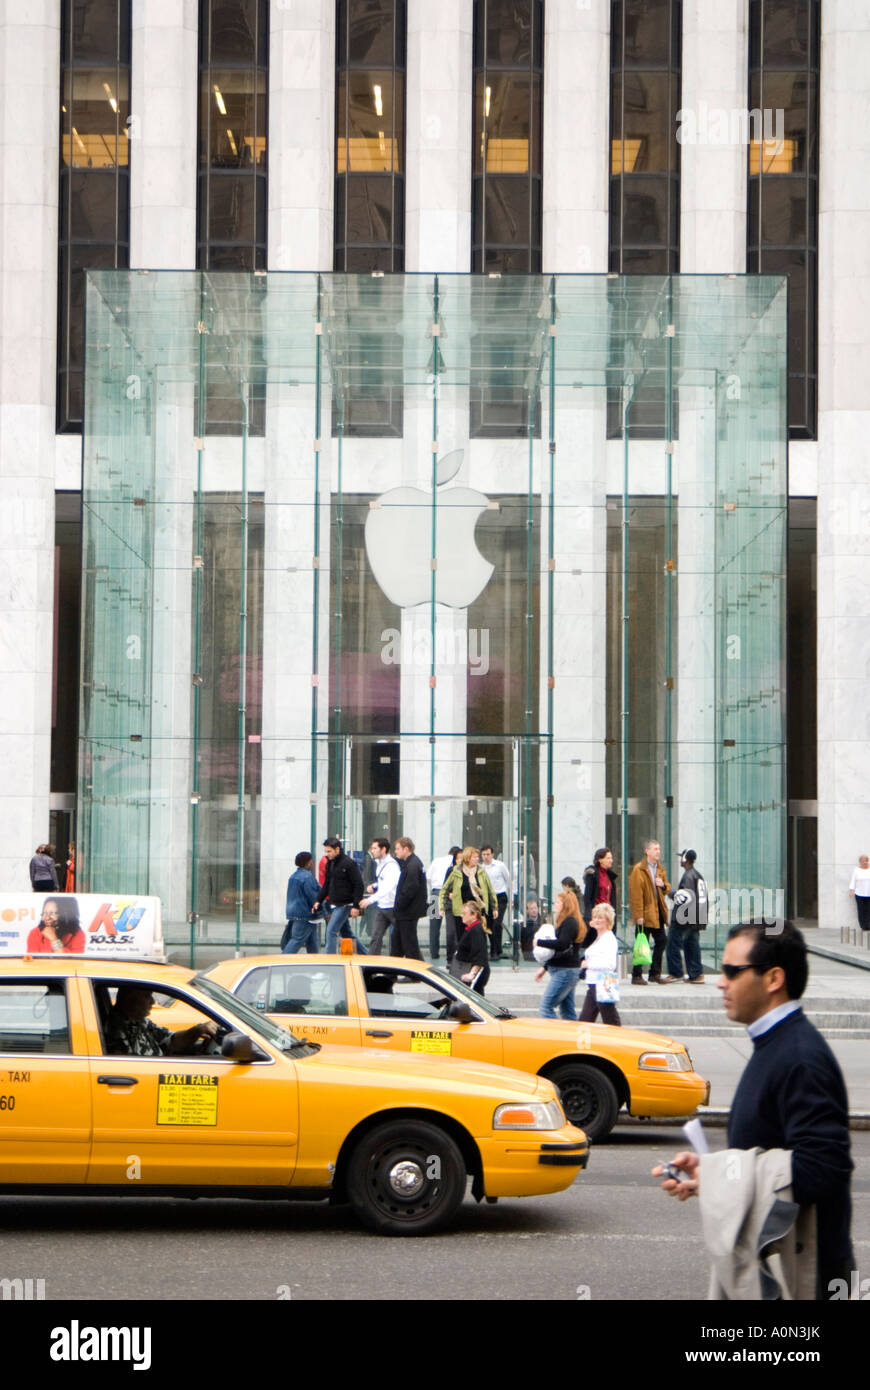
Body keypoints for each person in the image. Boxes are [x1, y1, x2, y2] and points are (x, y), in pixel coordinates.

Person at [654, 921, 854, 1301]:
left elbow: (822, 1170)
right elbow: (771, 1154)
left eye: (731, 971)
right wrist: (709, 1176)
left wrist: (721, 1174)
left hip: (804, 1281)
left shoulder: (800, 1059)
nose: (720, 981)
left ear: (773, 978)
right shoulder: (777, 1044)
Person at [106, 986, 219, 1057]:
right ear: (129, 998)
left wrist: (197, 1030)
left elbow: (172, 1041)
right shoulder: (114, 1030)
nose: (152, 1001)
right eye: (147, 996)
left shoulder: (140, 1022)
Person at [535, 888, 585, 1020]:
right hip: (566, 969)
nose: (555, 904)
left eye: (558, 902)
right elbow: (560, 948)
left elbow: (562, 944)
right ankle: (571, 1038)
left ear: (565, 905)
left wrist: (539, 942)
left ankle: (555, 1037)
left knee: (546, 1006)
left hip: (565, 970)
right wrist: (545, 967)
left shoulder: (570, 922)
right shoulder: (568, 921)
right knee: (567, 1010)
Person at [439, 847, 497, 956]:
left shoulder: (481, 871)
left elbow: (490, 890)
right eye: (474, 857)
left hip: (478, 910)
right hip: (462, 911)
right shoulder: (456, 871)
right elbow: (444, 889)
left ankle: (479, 960)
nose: (477, 859)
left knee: (479, 937)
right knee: (462, 938)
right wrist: (442, 906)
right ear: (467, 858)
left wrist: (494, 907)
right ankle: (463, 961)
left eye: (477, 857)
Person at [628, 838, 671, 984]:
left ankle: (654, 973)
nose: (658, 851)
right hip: (645, 913)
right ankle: (636, 975)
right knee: (641, 943)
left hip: (657, 911)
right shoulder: (638, 869)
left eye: (659, 849)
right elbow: (636, 894)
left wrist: (663, 885)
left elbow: (667, 888)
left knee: (662, 941)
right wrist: (639, 915)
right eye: (655, 849)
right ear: (647, 851)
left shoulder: (660, 869)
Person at [317, 837, 367, 954]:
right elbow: (327, 884)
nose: (327, 854)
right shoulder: (330, 864)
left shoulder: (349, 863)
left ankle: (331, 960)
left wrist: (355, 906)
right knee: (346, 933)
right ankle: (365, 954)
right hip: (336, 903)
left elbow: (358, 885)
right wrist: (318, 900)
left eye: (329, 851)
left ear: (337, 849)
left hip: (345, 904)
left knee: (331, 931)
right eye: (326, 851)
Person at [663, 849, 707, 982]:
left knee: (672, 943)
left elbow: (684, 898)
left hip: (684, 917)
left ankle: (676, 973)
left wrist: (669, 892)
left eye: (681, 858)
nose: (680, 860)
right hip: (696, 917)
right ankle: (696, 974)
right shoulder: (697, 875)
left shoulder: (688, 876)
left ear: (685, 860)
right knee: (691, 945)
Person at [578, 903, 621, 1025]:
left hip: (603, 982)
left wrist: (588, 964)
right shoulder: (598, 938)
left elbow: (610, 964)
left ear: (607, 920)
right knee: (586, 1019)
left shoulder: (609, 939)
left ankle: (619, 1041)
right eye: (595, 917)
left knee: (610, 1018)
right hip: (593, 983)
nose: (596, 920)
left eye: (600, 917)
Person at [359, 838, 400, 954]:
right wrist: (375, 886)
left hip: (393, 907)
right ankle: (372, 964)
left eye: (375, 848)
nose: (372, 851)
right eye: (372, 848)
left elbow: (389, 886)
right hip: (382, 907)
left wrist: (370, 900)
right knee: (375, 937)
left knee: (403, 938)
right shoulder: (379, 863)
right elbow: (384, 882)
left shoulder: (392, 865)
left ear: (383, 849)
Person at [391, 837, 427, 960]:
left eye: (397, 849)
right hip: (406, 911)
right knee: (398, 942)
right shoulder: (411, 863)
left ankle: (415, 971)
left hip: (408, 911)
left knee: (408, 943)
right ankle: (392, 971)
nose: (395, 852)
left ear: (406, 849)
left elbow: (411, 888)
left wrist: (399, 903)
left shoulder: (413, 865)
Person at [281, 851, 321, 954]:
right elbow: (313, 896)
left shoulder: (293, 876)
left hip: (296, 913)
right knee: (297, 939)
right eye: (311, 861)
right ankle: (281, 962)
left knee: (313, 941)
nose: (312, 863)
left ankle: (315, 963)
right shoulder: (307, 877)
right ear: (308, 863)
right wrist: (324, 912)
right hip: (305, 915)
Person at [426, 845, 461, 961]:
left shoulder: (436, 861)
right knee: (452, 926)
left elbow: (428, 877)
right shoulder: (456, 865)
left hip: (436, 892)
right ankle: (451, 953)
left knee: (434, 925)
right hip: (451, 894)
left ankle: (434, 953)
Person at [451, 900, 491, 995]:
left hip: (475, 972)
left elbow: (479, 954)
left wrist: (472, 974)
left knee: (474, 997)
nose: (462, 915)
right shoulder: (471, 929)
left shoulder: (476, 930)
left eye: (464, 913)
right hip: (465, 968)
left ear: (473, 915)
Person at [480, 845, 510, 960]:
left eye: (488, 854)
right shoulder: (481, 868)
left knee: (497, 923)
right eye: (484, 854)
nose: (486, 857)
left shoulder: (500, 865)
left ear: (492, 854)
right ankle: (497, 949)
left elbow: (508, 879)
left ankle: (494, 951)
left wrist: (509, 896)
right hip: (487, 898)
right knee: (489, 924)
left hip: (500, 896)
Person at [581, 848, 618, 926]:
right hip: (597, 915)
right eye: (608, 858)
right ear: (600, 860)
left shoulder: (609, 875)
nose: (611, 860)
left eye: (611, 858)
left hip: (608, 915)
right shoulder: (593, 874)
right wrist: (589, 916)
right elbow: (587, 897)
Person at [848, 854, 870, 932]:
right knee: (861, 910)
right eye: (863, 861)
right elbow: (853, 880)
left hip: (869, 894)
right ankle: (863, 925)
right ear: (860, 862)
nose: (864, 863)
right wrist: (851, 890)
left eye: (866, 861)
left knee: (868, 910)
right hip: (859, 894)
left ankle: (868, 925)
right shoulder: (856, 870)